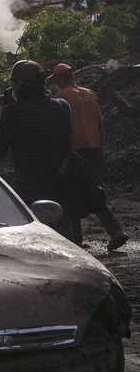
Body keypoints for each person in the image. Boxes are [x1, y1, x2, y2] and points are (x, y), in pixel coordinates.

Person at [0, 60, 78, 240]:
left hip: (29, 191)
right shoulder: (62, 107)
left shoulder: (12, 112)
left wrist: (4, 110)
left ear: (19, 85)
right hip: (61, 186)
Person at [50, 63, 128, 250]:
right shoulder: (90, 94)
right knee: (94, 191)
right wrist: (101, 149)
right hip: (94, 149)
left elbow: (60, 128)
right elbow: (100, 124)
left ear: (60, 78)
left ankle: (76, 240)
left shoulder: (60, 98)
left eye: (56, 79)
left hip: (73, 150)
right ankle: (115, 232)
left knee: (69, 194)